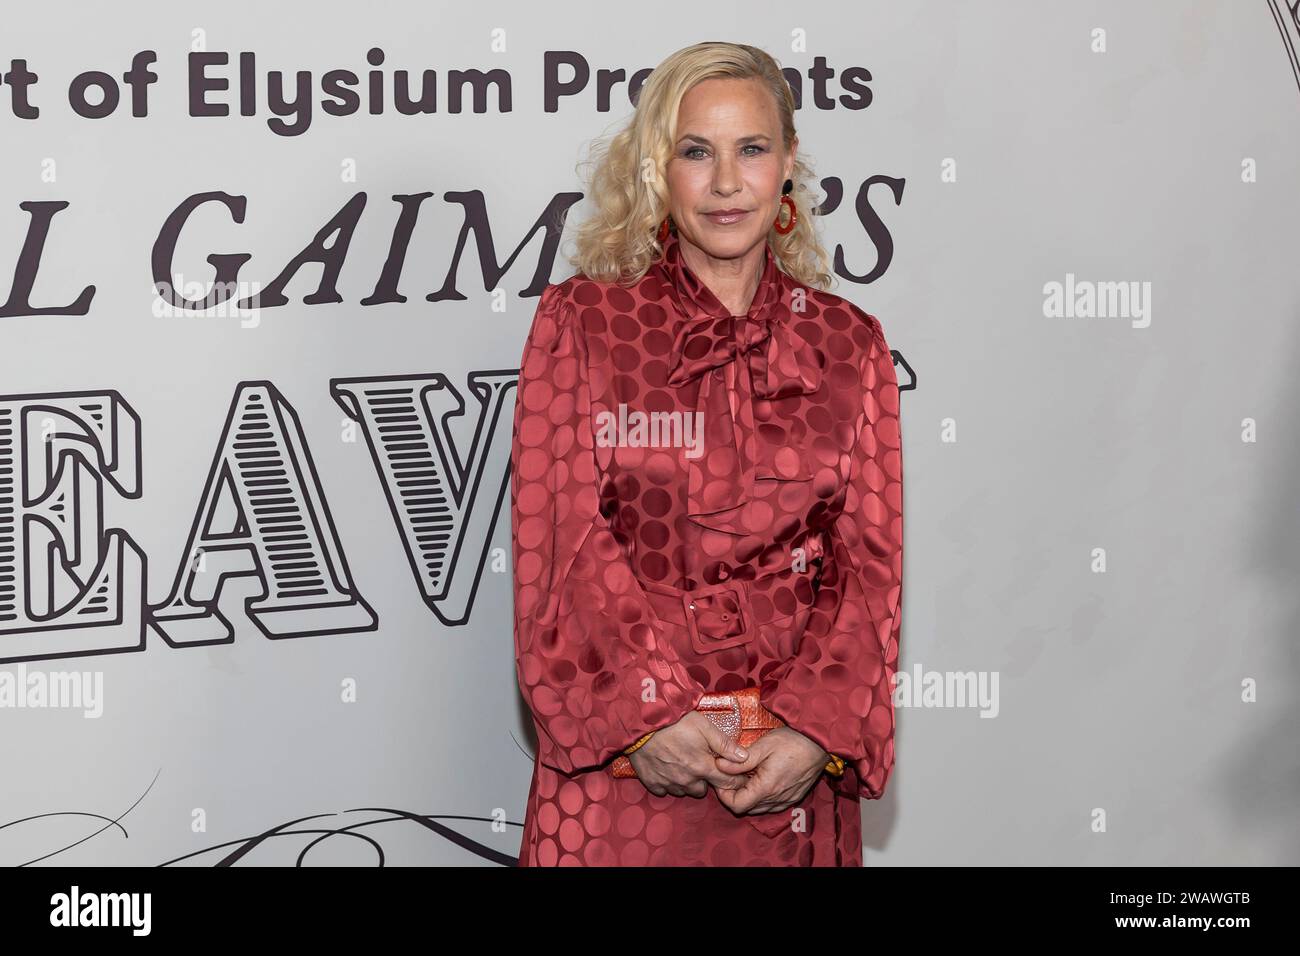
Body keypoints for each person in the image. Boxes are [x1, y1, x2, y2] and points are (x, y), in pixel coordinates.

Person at [510, 41, 903, 866]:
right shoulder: (584, 323)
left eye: (751, 149)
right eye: (697, 151)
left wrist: (811, 730)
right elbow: (561, 542)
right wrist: (648, 714)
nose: (727, 181)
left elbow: (868, 568)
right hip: (625, 775)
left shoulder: (849, 343)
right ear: (659, 169)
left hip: (793, 776)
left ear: (788, 163)